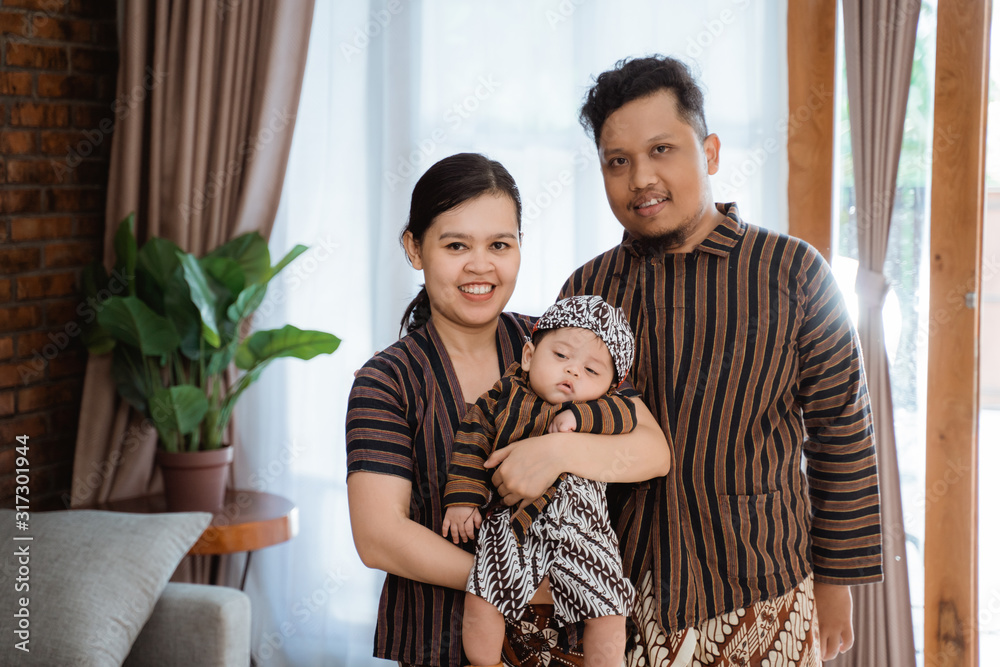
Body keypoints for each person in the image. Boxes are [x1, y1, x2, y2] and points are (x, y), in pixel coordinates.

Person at [490, 57, 883, 666]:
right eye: (617, 162)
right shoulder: (586, 288)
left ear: (711, 152)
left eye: (662, 149)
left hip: (760, 592)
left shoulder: (795, 273)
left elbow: (842, 438)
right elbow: (547, 426)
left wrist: (835, 587)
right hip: (614, 603)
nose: (641, 178)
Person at [345, 152, 671, 667]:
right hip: (441, 642)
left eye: (500, 244)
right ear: (415, 248)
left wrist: (559, 450)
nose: (481, 265)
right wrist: (518, 582)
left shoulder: (556, 343)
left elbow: (652, 449)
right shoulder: (388, 380)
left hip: (563, 647)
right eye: (456, 245)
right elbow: (379, 538)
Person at [443, 295, 647, 667]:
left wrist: (581, 420)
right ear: (528, 356)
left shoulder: (604, 407)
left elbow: (627, 418)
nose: (572, 373)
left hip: (583, 526)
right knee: (485, 590)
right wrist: (462, 499)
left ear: (610, 386)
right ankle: (482, 662)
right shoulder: (501, 398)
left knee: (609, 603)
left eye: (591, 370)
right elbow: (471, 442)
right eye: (561, 357)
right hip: (514, 519)